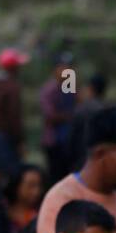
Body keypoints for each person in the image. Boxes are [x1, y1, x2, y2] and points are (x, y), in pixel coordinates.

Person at [0, 48, 29, 175]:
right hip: (5, 136)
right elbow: (13, 116)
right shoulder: (12, 87)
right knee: (11, 173)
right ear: (13, 68)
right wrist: (20, 141)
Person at [40, 52, 78, 187]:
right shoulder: (50, 90)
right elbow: (50, 115)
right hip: (54, 142)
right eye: (63, 68)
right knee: (55, 177)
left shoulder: (70, 89)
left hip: (68, 142)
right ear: (56, 70)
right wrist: (69, 116)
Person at [67, 73, 108, 173]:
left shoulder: (81, 109)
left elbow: (72, 140)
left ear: (90, 88)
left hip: (82, 161)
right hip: (101, 161)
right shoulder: (107, 110)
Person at [6, 163, 45, 233]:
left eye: (39, 185)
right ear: (17, 185)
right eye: (31, 185)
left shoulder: (42, 214)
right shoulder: (1, 212)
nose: (37, 191)